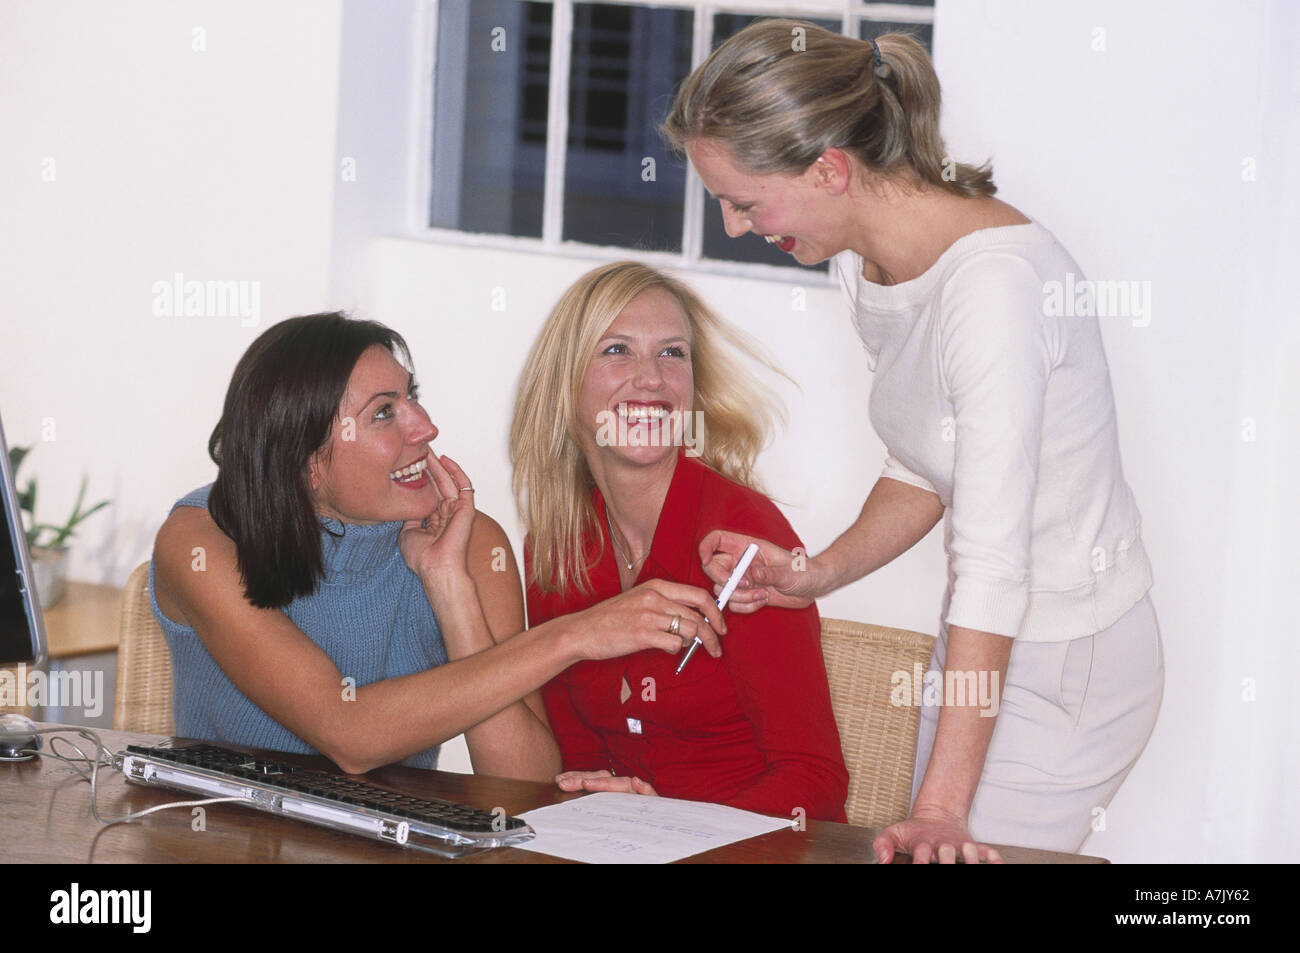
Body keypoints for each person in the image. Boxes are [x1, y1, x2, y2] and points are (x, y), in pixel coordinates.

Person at [663, 20, 1163, 861]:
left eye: (744, 201)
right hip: (984, 642)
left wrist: (939, 808)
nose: (736, 225)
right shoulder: (871, 265)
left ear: (829, 167)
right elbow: (926, 463)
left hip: (1068, 654)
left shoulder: (994, 293)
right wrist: (815, 572)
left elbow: (995, 563)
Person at [149, 312, 725, 779]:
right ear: (307, 463)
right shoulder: (203, 539)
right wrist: (577, 634)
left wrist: (450, 585)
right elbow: (349, 735)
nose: (424, 428)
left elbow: (521, 782)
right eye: (384, 414)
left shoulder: (473, 546)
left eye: (412, 398)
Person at [511, 262, 849, 821]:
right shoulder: (556, 544)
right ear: (565, 382)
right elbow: (576, 757)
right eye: (617, 349)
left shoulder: (745, 536)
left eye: (673, 353)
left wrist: (677, 832)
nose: (651, 377)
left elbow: (813, 781)